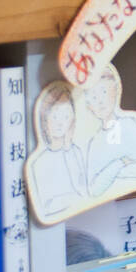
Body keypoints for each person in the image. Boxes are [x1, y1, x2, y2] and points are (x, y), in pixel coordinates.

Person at [83, 66, 136, 198]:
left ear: (116, 90)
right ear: (89, 106)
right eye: (94, 97)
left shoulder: (130, 123)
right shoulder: (95, 142)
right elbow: (94, 189)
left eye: (104, 92)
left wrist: (109, 175)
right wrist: (120, 163)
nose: (100, 101)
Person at [29, 83, 87, 219]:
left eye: (66, 116)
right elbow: (44, 206)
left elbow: (84, 192)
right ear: (45, 119)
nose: (60, 123)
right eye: (55, 116)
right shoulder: (37, 162)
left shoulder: (76, 153)